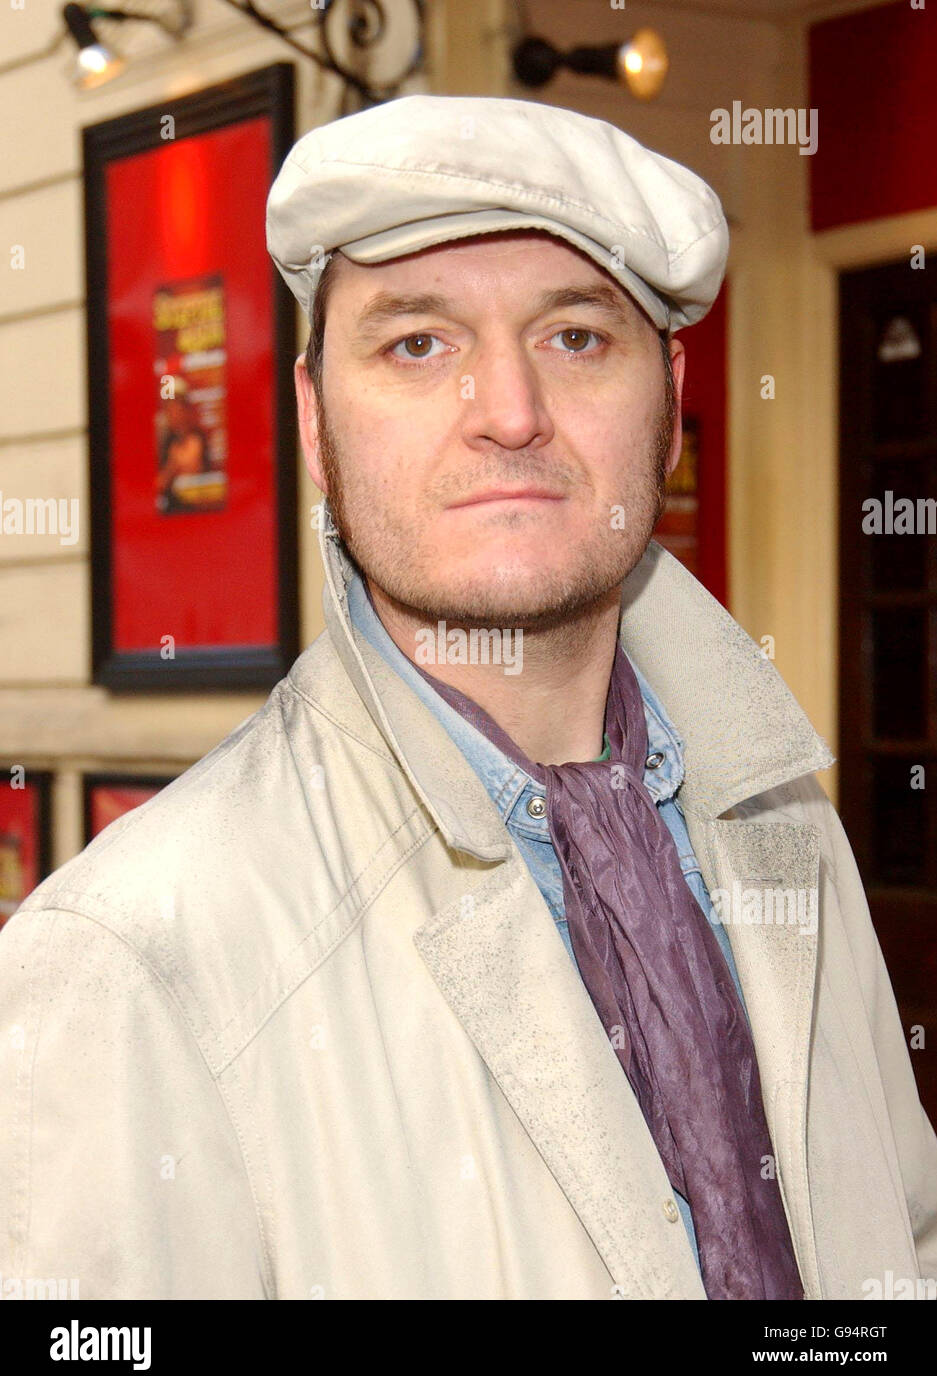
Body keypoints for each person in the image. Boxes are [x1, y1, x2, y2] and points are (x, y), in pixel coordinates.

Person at [0, 95, 934, 1300]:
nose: (508, 412)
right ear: (314, 422)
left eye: (577, 337)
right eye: (417, 344)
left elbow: (900, 1244)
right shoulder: (133, 957)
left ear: (669, 403)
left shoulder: (783, 824)